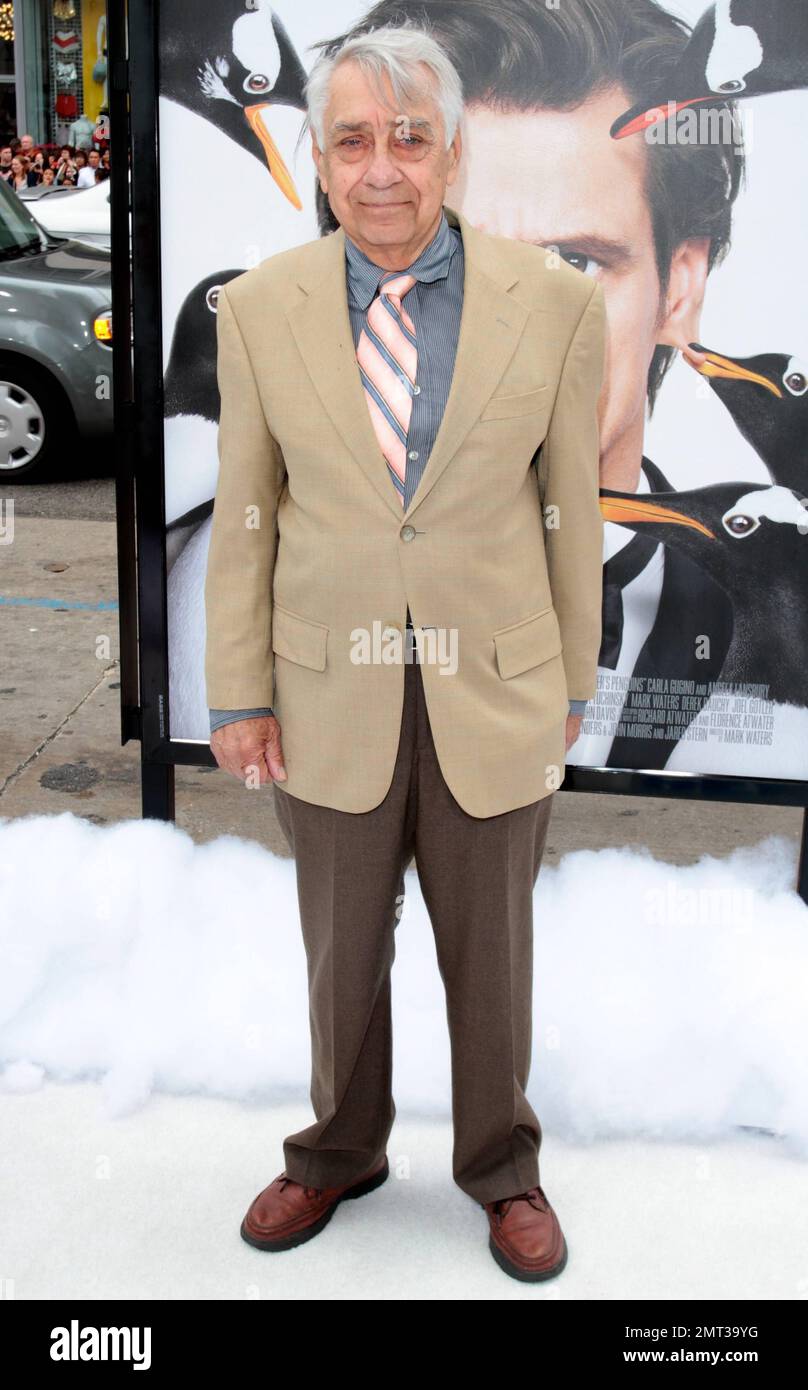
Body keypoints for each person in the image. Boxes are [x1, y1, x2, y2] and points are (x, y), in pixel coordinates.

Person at [204, 22, 606, 1281]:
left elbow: (570, 512)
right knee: (340, 948)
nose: (382, 169)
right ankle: (336, 1151)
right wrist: (239, 691)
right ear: (320, 158)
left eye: (409, 139)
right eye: (354, 141)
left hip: (494, 683)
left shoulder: (554, 303)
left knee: (490, 957)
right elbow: (249, 512)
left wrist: (573, 680)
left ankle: (502, 1169)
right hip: (329, 686)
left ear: (451, 154)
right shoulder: (258, 307)